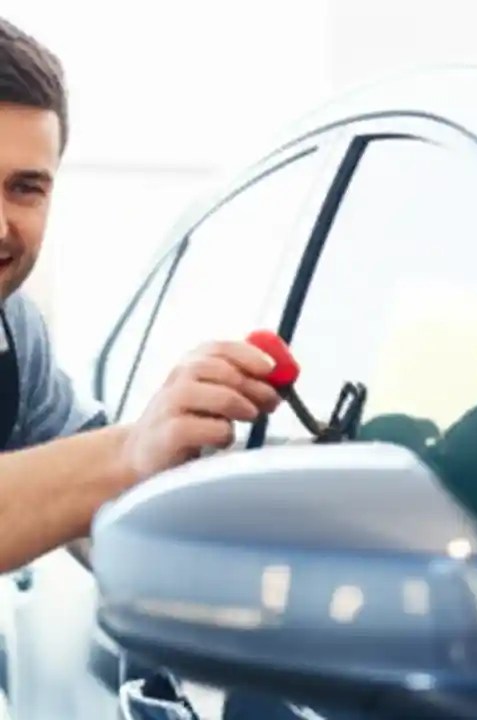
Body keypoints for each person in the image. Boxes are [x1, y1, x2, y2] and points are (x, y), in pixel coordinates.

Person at [0, 17, 281, 573]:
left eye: (25, 188)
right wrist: (127, 454)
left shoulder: (15, 333)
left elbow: (99, 511)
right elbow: (101, 470)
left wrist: (187, 465)